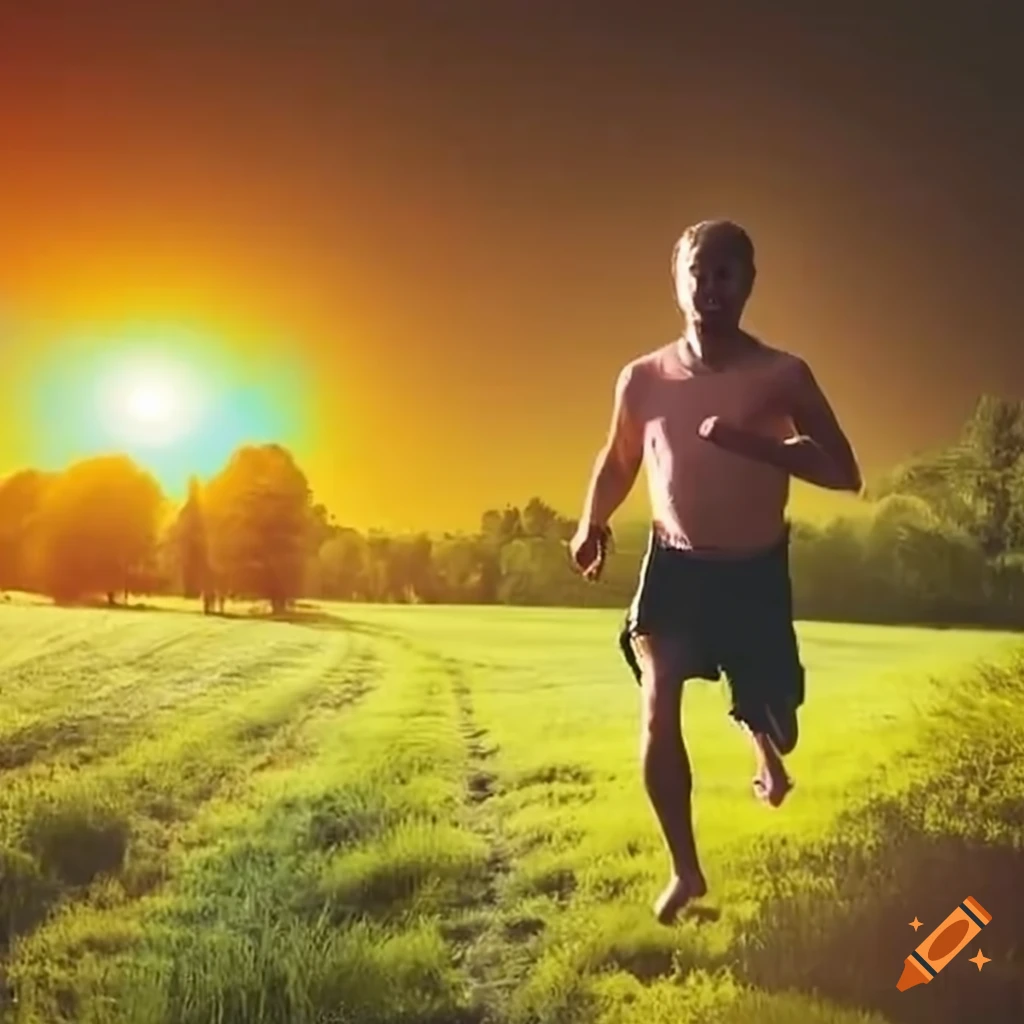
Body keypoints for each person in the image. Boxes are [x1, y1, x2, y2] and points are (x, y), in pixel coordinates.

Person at [569, 219, 862, 925]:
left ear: (750, 283)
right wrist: (590, 521)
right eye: (699, 271)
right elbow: (617, 462)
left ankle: (766, 740)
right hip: (674, 567)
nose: (711, 285)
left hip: (755, 575)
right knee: (658, 696)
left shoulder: (783, 374)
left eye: (727, 272)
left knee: (777, 719)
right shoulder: (641, 379)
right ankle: (686, 871)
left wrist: (755, 447)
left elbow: (843, 470)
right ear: (677, 279)